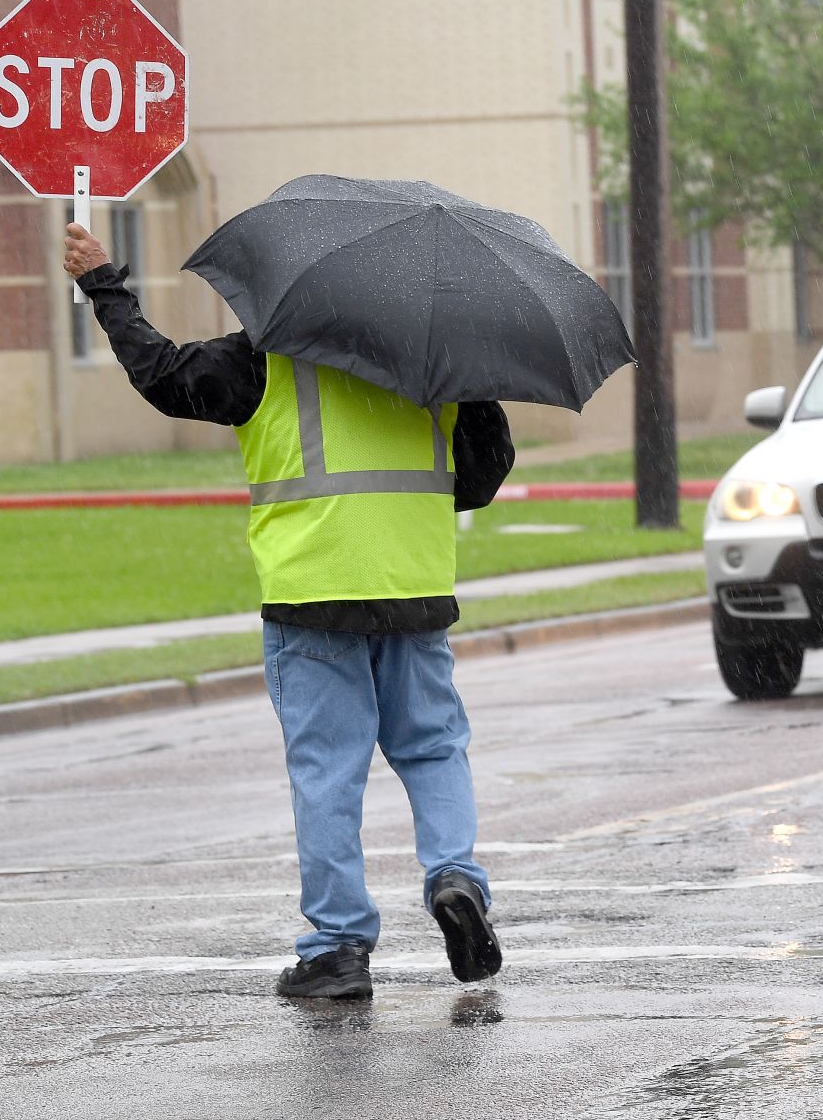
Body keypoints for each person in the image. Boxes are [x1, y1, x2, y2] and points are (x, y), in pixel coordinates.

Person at [62, 222, 513, 1002]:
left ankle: (338, 950)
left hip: (312, 596)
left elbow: (165, 376)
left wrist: (104, 284)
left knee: (328, 773)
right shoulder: (439, 366)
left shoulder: (265, 356)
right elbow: (480, 477)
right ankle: (455, 879)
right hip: (413, 589)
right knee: (435, 750)